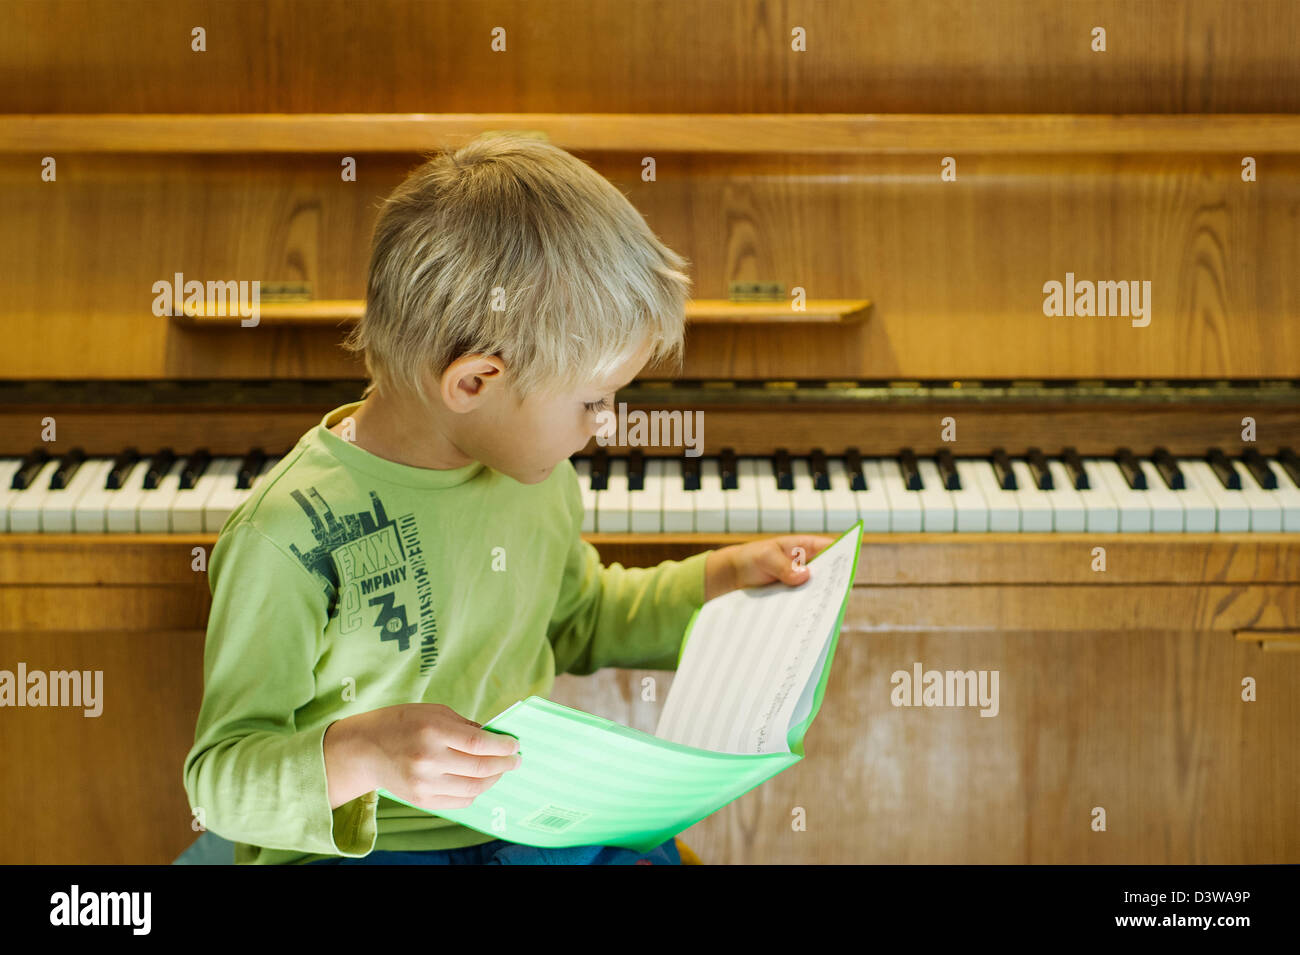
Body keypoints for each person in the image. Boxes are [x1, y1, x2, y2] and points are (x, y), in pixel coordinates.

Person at [182, 133, 832, 864]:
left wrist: (720, 580)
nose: (607, 423)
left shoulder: (536, 478)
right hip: (366, 852)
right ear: (474, 383)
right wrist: (362, 753)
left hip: (523, 825)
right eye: (592, 400)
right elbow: (220, 783)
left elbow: (578, 617)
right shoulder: (288, 536)